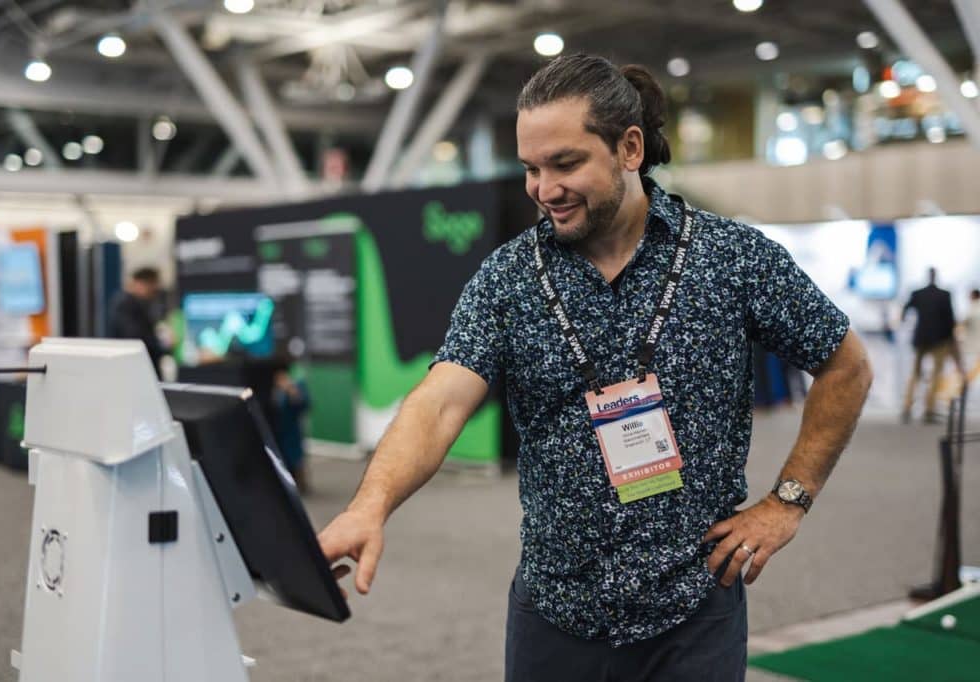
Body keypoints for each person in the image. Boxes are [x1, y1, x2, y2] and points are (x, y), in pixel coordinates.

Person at [317, 54, 872, 682]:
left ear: (629, 148)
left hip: (692, 617)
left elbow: (845, 366)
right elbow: (440, 400)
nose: (543, 189)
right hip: (554, 616)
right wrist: (370, 505)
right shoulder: (509, 278)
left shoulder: (730, 258)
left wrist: (788, 501)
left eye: (565, 163)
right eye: (530, 168)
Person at [901, 268, 965, 423]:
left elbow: (905, 308)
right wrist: (952, 341)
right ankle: (929, 409)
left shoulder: (918, 294)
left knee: (915, 374)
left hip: (921, 338)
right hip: (939, 340)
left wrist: (903, 320)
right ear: (936, 276)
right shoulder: (944, 295)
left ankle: (907, 406)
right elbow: (950, 319)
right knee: (936, 374)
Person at [108, 267, 166, 378]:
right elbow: (135, 338)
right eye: (151, 286)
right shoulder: (126, 305)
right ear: (140, 283)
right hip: (135, 371)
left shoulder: (137, 304)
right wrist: (161, 346)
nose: (154, 291)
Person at [271, 359, 312, 494]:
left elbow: (305, 404)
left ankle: (300, 484)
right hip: (276, 430)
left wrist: (291, 390)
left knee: (294, 458)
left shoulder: (296, 383)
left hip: (291, 430)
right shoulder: (270, 385)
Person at [960, 289, 980, 385]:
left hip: (971, 347)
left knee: (968, 372)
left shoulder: (972, 309)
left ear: (973, 296)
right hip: (976, 346)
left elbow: (962, 324)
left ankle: (964, 386)